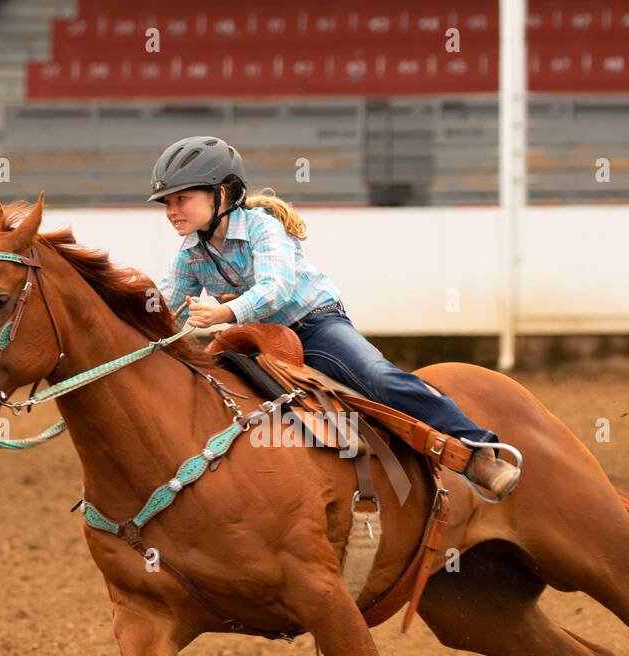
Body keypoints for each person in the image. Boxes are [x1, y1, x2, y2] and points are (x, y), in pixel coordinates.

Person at [150, 135, 520, 501]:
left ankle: (477, 451)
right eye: (167, 202)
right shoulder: (189, 255)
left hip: (314, 326)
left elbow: (275, 286)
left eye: (181, 198)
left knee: (378, 378)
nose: (171, 210)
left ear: (223, 193)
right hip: (254, 342)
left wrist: (224, 312)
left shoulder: (263, 227)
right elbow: (163, 310)